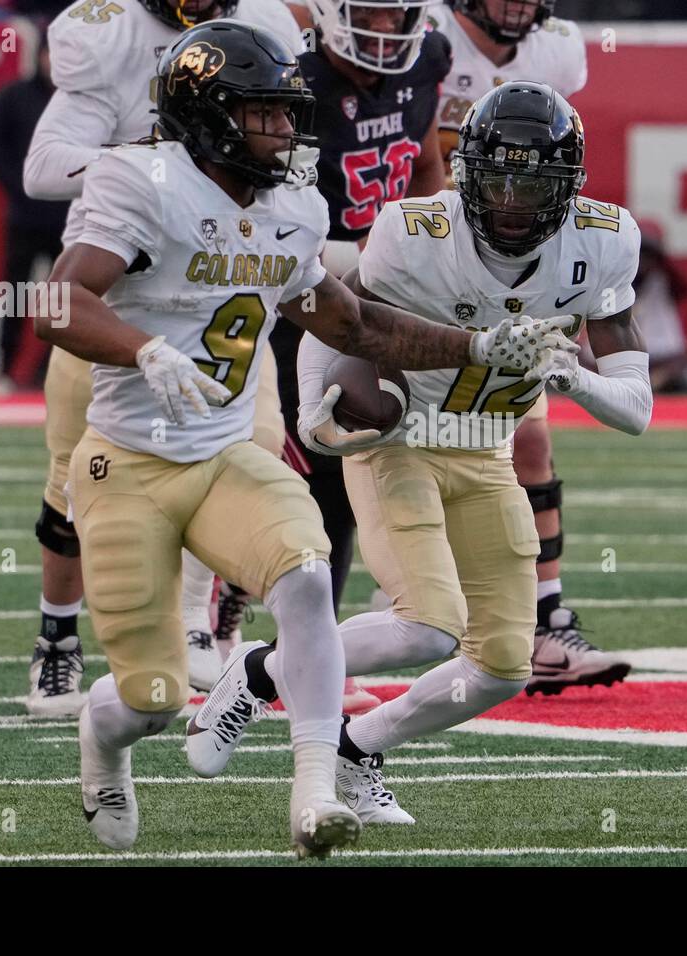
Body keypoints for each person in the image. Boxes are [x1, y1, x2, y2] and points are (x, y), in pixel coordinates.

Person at [40, 23, 576, 854]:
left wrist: (473, 347)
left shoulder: (290, 208)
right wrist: (143, 347)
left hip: (223, 456)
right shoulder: (140, 180)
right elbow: (58, 304)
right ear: (209, 117)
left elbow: (355, 323)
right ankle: (103, 742)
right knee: (150, 698)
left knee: (306, 570)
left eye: (289, 115)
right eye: (266, 116)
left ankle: (316, 793)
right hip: (128, 462)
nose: (288, 133)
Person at [188, 81, 652, 823]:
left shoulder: (604, 241)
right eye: (495, 178)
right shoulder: (417, 232)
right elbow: (337, 325)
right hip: (401, 439)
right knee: (428, 623)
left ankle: (356, 744)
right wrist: (314, 416)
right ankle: (260, 672)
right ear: (465, 171)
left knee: (503, 664)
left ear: (567, 188)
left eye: (531, 184)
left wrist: (575, 377)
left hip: (486, 448)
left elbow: (637, 410)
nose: (509, 201)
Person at [20, 0, 305, 715]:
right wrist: (159, 166)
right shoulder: (105, 33)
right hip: (126, 292)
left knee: (253, 450)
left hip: (222, 294)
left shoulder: (269, 23)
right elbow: (42, 168)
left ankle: (205, 623)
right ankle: (57, 640)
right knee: (72, 483)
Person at [430, 0, 630, 695]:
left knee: (527, 442)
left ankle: (545, 617)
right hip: (424, 257)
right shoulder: (419, 33)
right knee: (377, 442)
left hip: (506, 263)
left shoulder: (556, 51)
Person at [255, 0, 449, 715]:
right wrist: (360, 256)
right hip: (298, 295)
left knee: (350, 470)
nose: (387, 31)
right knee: (293, 471)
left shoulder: (427, 59)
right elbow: (264, 212)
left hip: (376, 300)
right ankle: (226, 638)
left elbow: (425, 159)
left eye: (400, 16)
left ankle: (308, 657)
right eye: (371, 14)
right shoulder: (288, 78)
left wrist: (438, 246)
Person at [0, 30, 69, 386]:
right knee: (16, 293)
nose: (53, 63)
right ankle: (4, 367)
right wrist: (19, 185)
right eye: (49, 54)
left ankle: (50, 370)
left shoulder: (77, 100)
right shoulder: (15, 97)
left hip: (67, 219)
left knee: (65, 297)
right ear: (38, 56)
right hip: (27, 217)